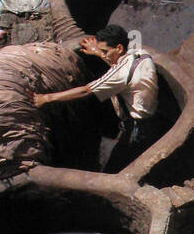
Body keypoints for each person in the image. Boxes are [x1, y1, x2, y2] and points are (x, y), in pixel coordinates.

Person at [33, 26, 158, 170]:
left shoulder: (122, 74)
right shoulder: (139, 53)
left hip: (138, 126)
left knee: (116, 165)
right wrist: (98, 52)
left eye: (105, 51)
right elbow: (119, 66)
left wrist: (46, 98)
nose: (104, 54)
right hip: (150, 116)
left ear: (118, 48)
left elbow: (86, 91)